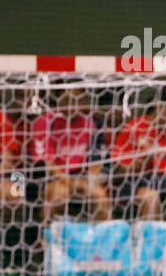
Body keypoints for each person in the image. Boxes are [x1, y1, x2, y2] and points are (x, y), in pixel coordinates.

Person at [29, 85, 111, 222]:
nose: (70, 105)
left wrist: (88, 184)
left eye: (75, 100)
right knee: (59, 196)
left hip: (83, 178)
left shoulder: (93, 125)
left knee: (100, 195)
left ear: (84, 102)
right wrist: (72, 184)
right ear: (58, 101)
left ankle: (104, 239)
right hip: (55, 178)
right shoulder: (45, 122)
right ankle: (44, 238)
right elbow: (49, 165)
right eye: (66, 100)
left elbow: (95, 164)